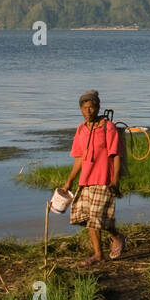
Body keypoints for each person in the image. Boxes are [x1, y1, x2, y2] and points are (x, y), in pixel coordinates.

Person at [62, 90, 123, 264]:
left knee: (96, 218)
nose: (88, 111)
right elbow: (79, 159)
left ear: (97, 108)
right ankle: (102, 251)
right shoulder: (81, 130)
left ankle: (114, 240)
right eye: (84, 108)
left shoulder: (107, 127)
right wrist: (69, 182)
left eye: (91, 108)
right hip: (86, 180)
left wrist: (115, 180)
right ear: (80, 109)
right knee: (89, 219)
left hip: (104, 179)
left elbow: (116, 155)